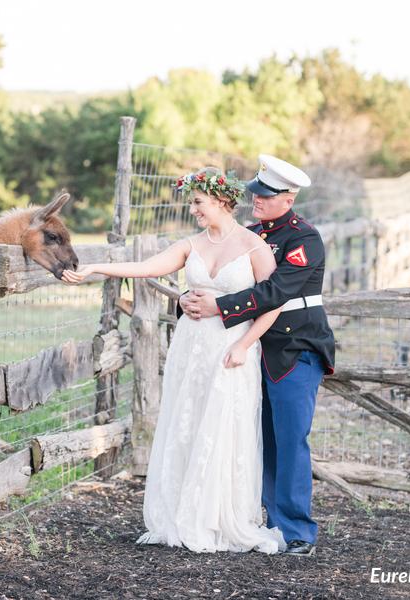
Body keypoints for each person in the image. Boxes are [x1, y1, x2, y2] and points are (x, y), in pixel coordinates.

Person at [62, 167, 285, 554]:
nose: (194, 210)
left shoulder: (254, 246)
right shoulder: (191, 244)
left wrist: (246, 344)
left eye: (198, 203)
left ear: (220, 201)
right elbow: (147, 268)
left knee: (223, 424)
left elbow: (273, 302)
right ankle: (181, 512)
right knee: (186, 420)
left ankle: (216, 516)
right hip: (191, 348)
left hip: (231, 347)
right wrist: (97, 268)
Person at [179, 154, 336, 557]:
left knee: (290, 439)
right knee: (254, 437)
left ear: (289, 197)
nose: (257, 201)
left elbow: (275, 293)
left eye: (266, 195)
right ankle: (264, 520)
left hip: (294, 348)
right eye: (255, 193)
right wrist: (191, 299)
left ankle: (297, 529)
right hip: (249, 350)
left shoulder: (305, 239)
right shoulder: (250, 235)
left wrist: (220, 306)